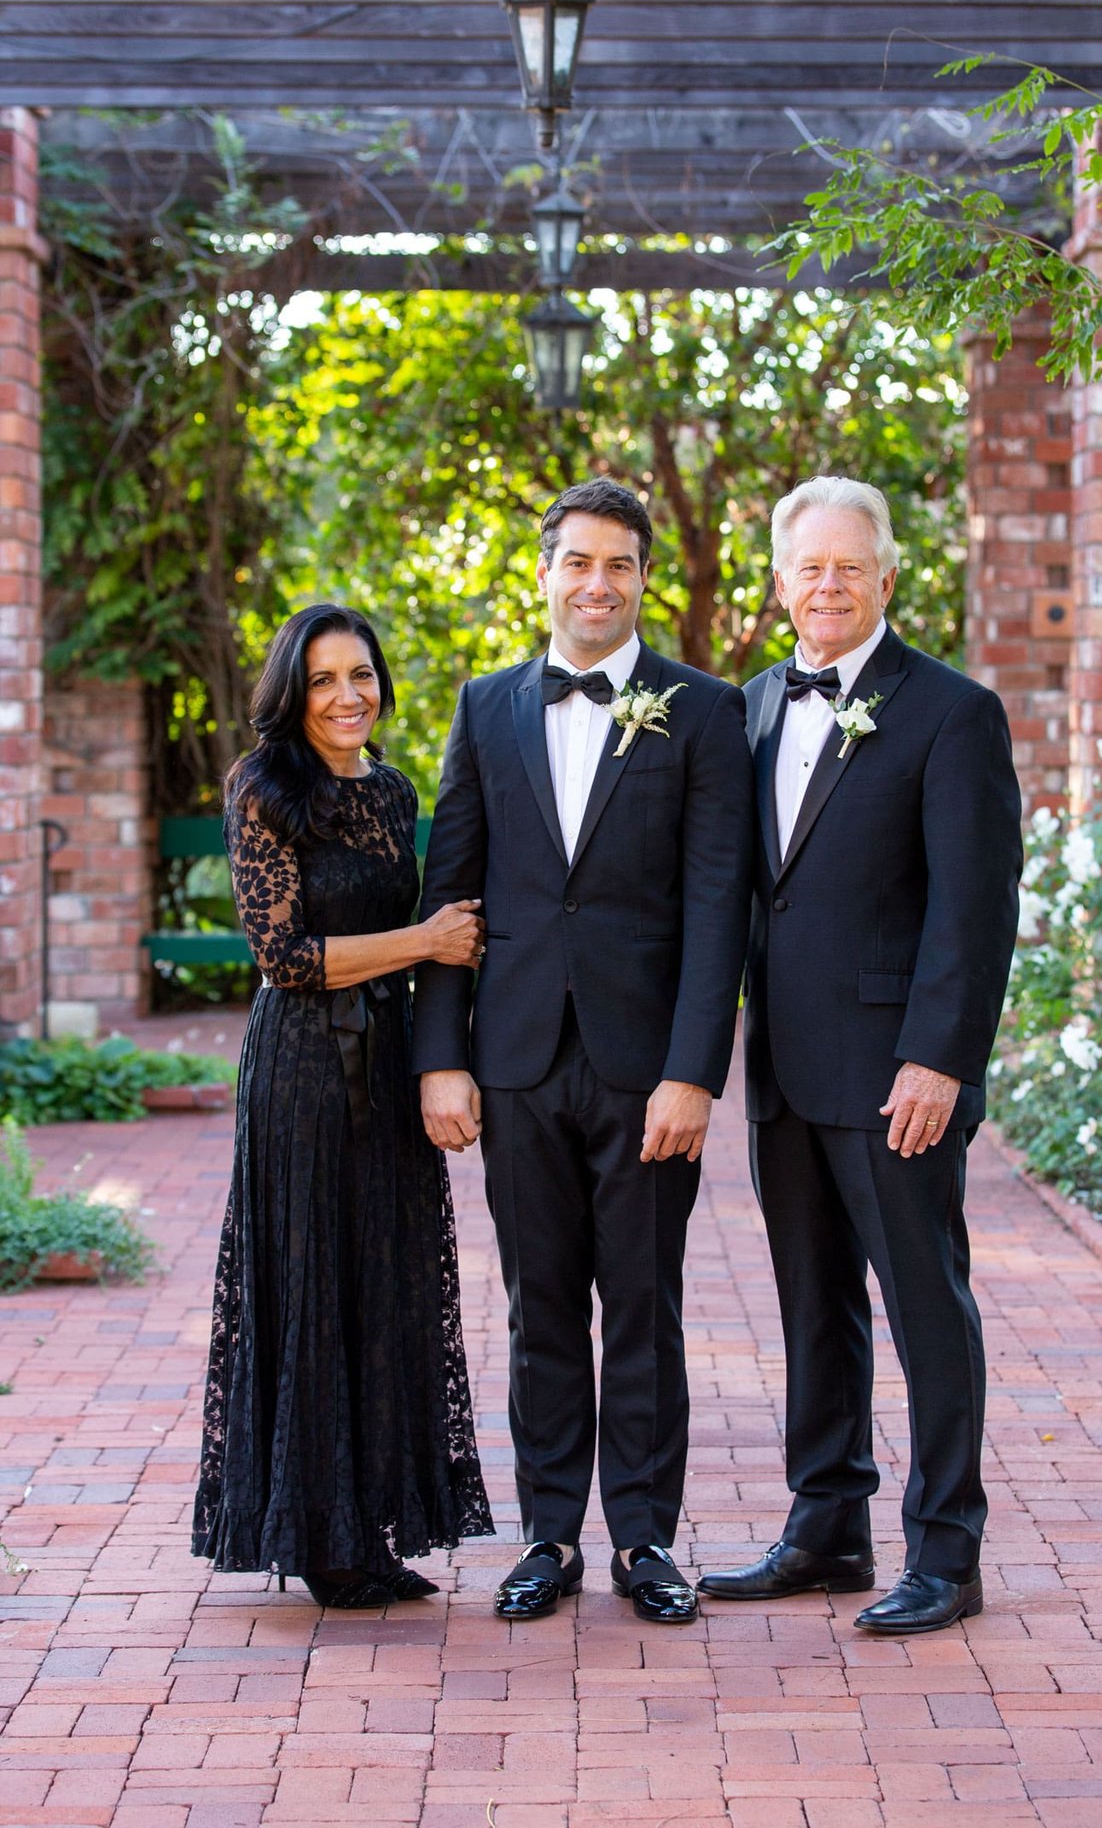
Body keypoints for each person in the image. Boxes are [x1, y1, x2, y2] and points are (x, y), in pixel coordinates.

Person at [413, 478, 753, 1625]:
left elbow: (716, 904)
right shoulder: (486, 706)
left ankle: (644, 1538)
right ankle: (547, 1536)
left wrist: (693, 1072)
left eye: (617, 564)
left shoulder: (702, 711)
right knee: (539, 1305)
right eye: (577, 562)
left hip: (647, 1067)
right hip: (513, 1061)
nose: (595, 584)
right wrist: (440, 1055)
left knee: (644, 1306)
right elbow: (451, 893)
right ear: (544, 572)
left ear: (642, 578)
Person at [697, 477, 1021, 1636]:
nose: (827, 585)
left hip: (896, 1075)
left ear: (886, 577)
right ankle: (827, 1527)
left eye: (849, 566)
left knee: (925, 1305)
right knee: (811, 1304)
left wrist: (938, 1058)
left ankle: (945, 1552)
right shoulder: (747, 706)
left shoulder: (950, 712)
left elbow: (973, 907)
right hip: (784, 1071)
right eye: (808, 567)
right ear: (779, 581)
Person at [192, 603, 493, 1609]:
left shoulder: (393, 790)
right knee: (314, 1278)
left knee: (385, 1280)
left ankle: (370, 1525)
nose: (345, 696)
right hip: (304, 1069)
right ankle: (319, 1540)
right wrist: (423, 943)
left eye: (359, 674)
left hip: (388, 1058)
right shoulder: (264, 786)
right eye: (322, 679)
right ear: (293, 691)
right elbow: (282, 956)